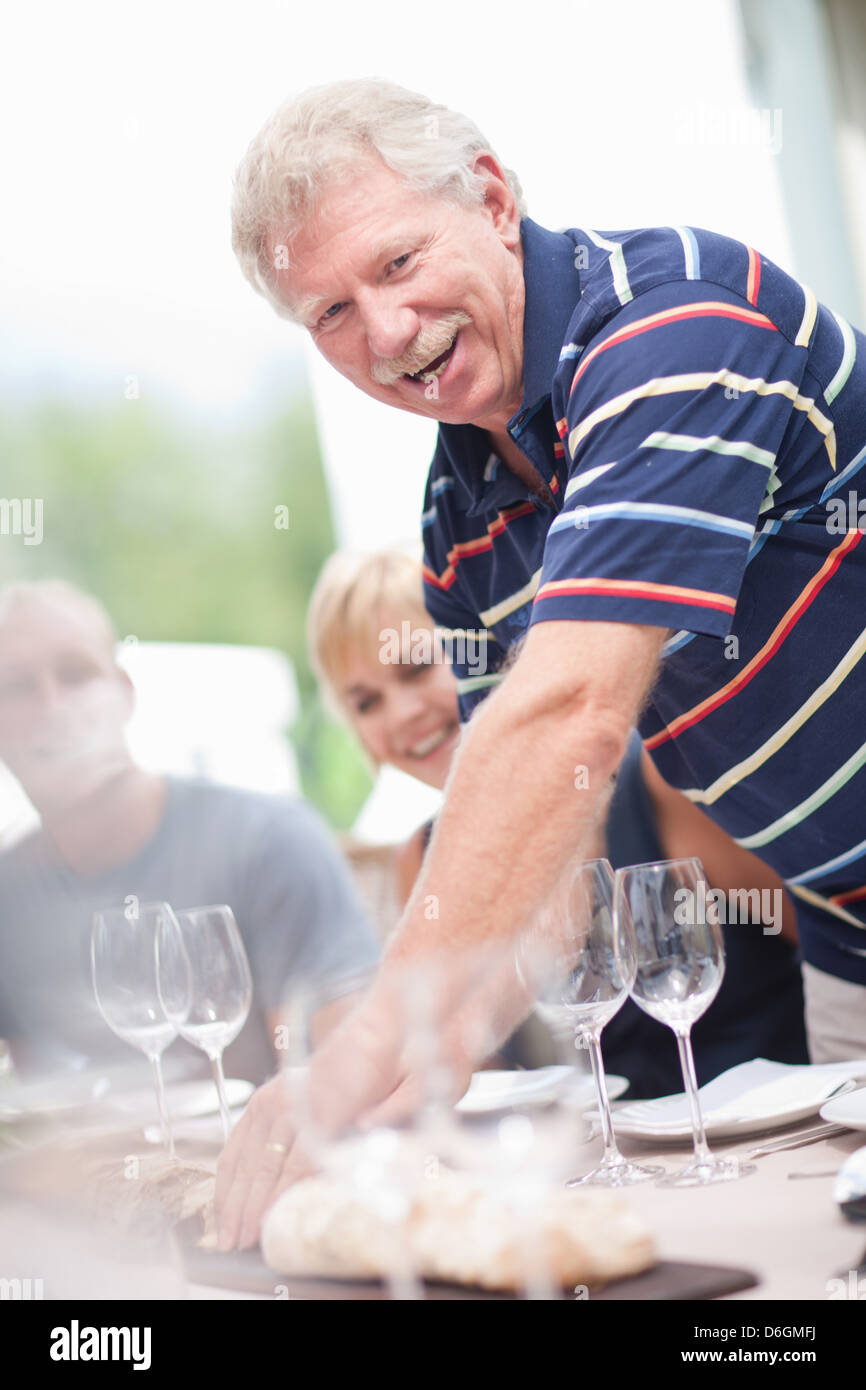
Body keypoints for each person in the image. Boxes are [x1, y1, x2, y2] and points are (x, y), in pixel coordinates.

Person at [216, 78, 866, 1247]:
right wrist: (418, 1062)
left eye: (399, 263)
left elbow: (568, 710)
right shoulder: (449, 513)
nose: (387, 333)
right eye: (329, 313)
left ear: (493, 199)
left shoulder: (674, 326)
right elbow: (540, 836)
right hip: (846, 942)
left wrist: (376, 1039)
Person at [307, 547, 806, 1098]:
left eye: (417, 667)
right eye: (366, 702)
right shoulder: (422, 861)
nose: (401, 714)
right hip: (595, 1168)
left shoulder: (661, 781)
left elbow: (822, 948)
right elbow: (470, 1083)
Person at [0, 580, 379, 1085]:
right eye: (16, 687)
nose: (52, 707)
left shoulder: (271, 841)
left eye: (75, 674)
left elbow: (347, 1084)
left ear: (124, 694)